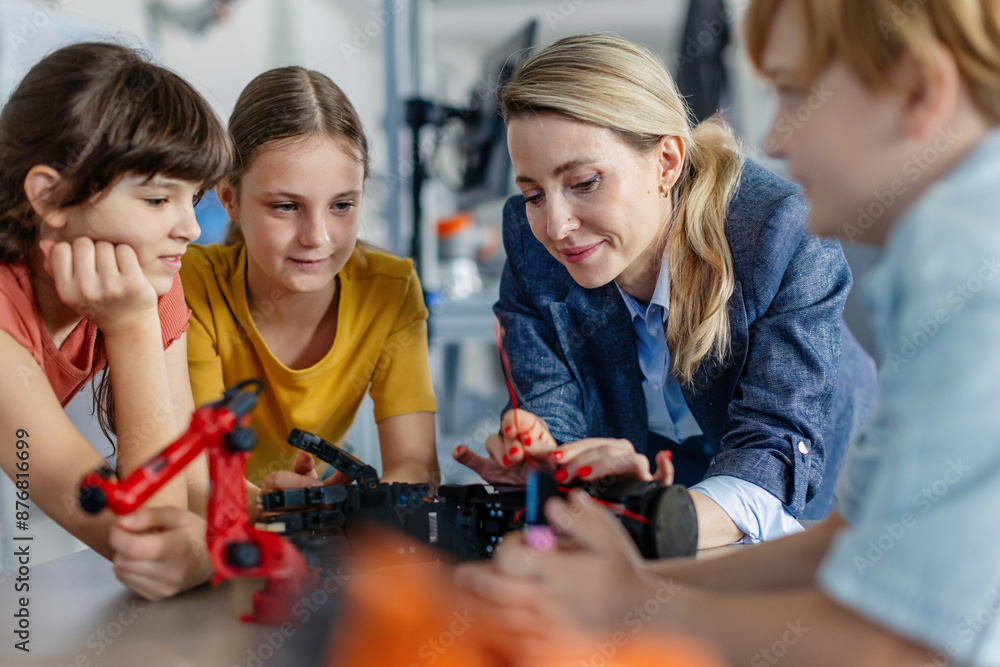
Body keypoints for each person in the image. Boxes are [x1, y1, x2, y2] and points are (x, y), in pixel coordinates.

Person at [456, 0, 1000, 664]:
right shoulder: (939, 260)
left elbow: (901, 642)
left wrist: (635, 596)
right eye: (535, 193)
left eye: (796, 93)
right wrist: (629, 569)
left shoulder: (963, 278)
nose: (776, 138)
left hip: (783, 496)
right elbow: (850, 542)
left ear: (918, 90)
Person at [453, 33, 876, 548]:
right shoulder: (528, 237)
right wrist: (551, 458)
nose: (556, 226)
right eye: (534, 194)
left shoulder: (781, 231)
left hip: (810, 472)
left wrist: (642, 521)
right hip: (662, 465)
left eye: (584, 182)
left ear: (667, 162)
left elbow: (773, 450)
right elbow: (550, 406)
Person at [0, 42, 232, 600]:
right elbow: (149, 534)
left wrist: (281, 507)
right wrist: (132, 329)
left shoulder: (148, 274)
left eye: (193, 197)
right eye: (157, 200)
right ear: (50, 196)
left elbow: (191, 485)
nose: (190, 228)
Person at [179, 67, 438, 497]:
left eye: (342, 205)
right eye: (286, 206)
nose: (317, 237)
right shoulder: (192, 283)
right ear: (229, 198)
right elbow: (200, 476)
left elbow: (415, 465)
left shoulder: (390, 289)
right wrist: (280, 509)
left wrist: (357, 506)